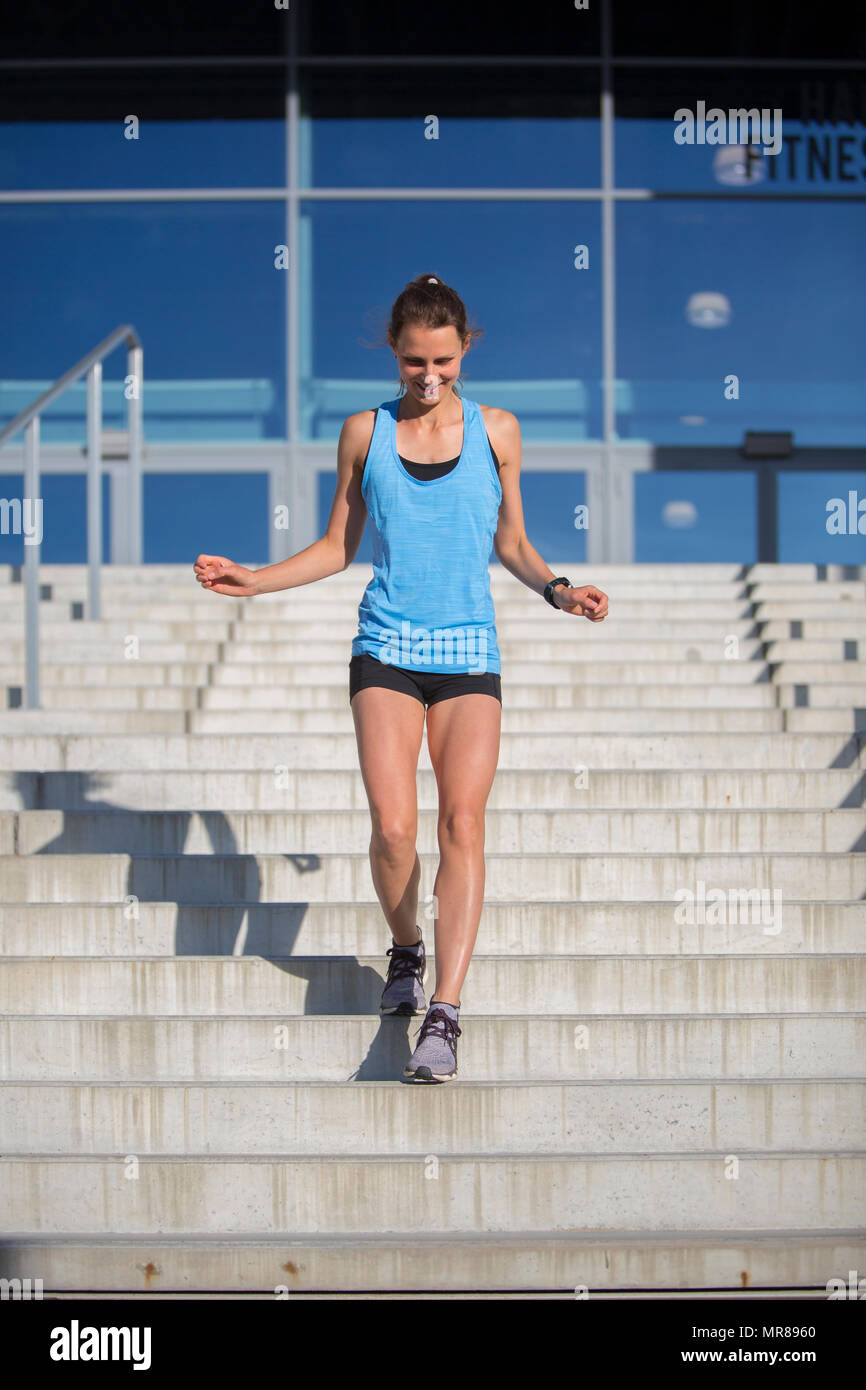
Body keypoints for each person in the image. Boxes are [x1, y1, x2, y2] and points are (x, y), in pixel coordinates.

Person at [193, 272, 609, 1083]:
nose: (429, 378)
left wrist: (557, 588)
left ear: (464, 352)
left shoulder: (499, 431)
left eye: (445, 364)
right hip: (386, 647)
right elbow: (336, 546)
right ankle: (408, 950)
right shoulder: (363, 432)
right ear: (394, 350)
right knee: (393, 829)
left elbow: (512, 542)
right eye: (415, 362)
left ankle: (446, 1012)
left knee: (462, 824)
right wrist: (254, 577)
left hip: (469, 655)